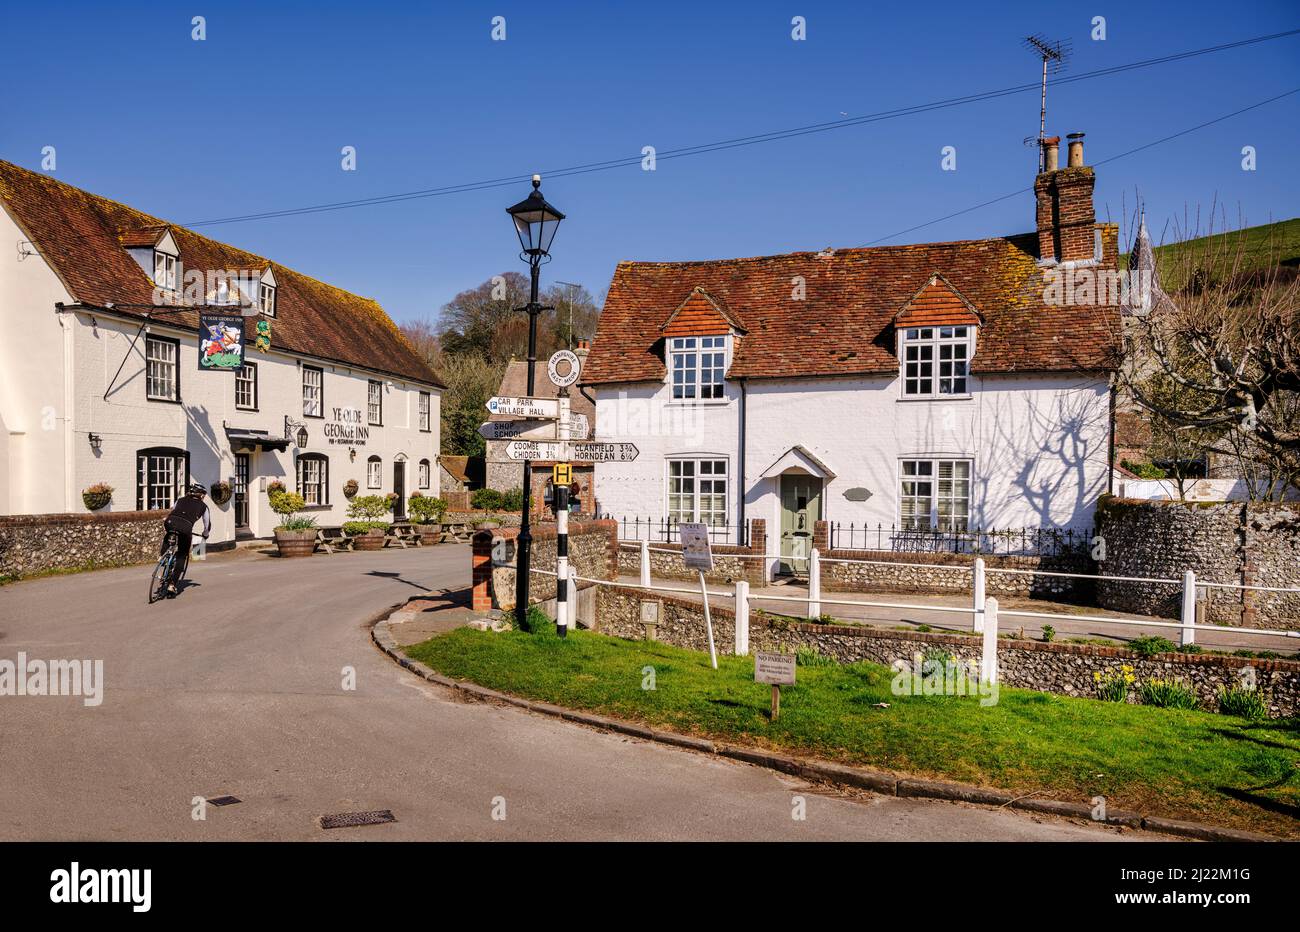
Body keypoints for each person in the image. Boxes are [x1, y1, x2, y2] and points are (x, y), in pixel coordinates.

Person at [162, 483, 211, 595]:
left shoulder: (180, 500)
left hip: (170, 522)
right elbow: (207, 524)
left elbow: (172, 510)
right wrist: (205, 535)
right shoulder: (203, 506)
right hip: (185, 527)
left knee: (169, 534)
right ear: (201, 495)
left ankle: (162, 556)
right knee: (182, 555)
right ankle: (172, 585)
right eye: (203, 494)